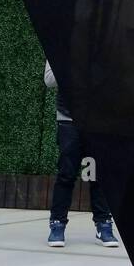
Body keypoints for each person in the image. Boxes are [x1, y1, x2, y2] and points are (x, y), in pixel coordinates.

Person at [45, 59, 118, 248]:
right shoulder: (57, 40)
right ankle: (57, 224)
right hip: (68, 121)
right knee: (66, 174)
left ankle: (103, 225)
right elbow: (49, 79)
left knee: (96, 175)